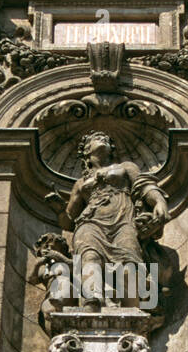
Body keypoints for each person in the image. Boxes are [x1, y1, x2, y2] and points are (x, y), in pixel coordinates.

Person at [66, 132, 167, 309]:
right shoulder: (81, 182)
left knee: (129, 260)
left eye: (106, 139)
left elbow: (144, 186)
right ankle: (92, 303)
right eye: (97, 138)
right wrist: (57, 206)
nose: (103, 139)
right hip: (90, 222)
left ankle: (132, 309)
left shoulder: (126, 167)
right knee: (90, 257)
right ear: (86, 152)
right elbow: (69, 216)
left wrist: (159, 201)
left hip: (123, 219)